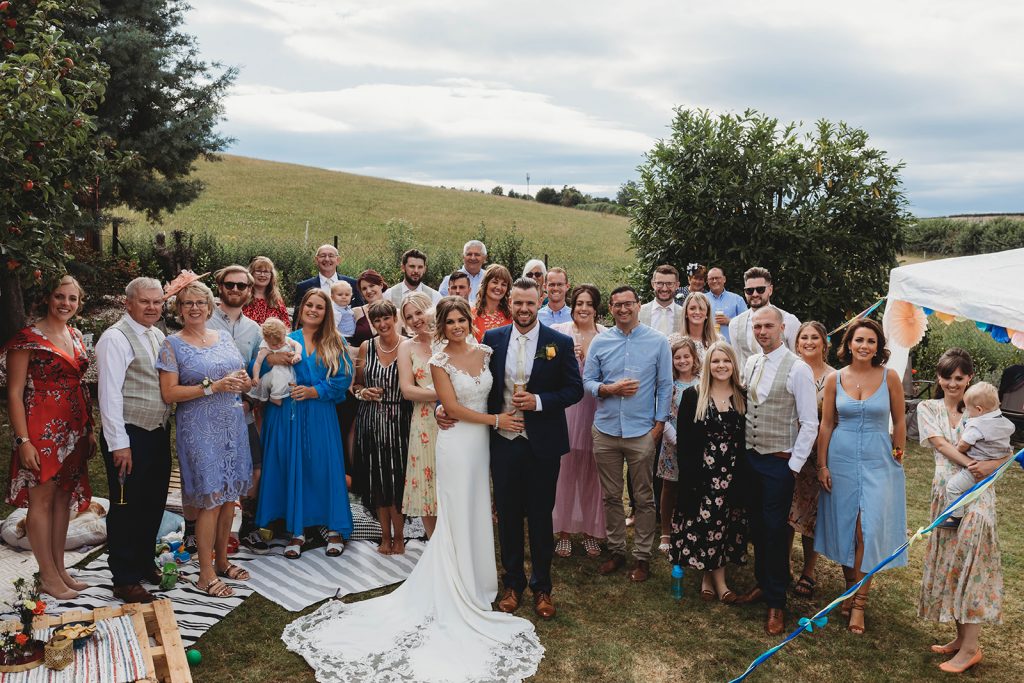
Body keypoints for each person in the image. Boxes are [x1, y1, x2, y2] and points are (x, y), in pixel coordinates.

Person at [280, 296, 542, 683]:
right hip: (455, 444)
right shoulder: (437, 361)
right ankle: (456, 584)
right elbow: (450, 407)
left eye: (461, 320)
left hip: (481, 448)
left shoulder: (486, 352)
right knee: (454, 510)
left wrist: (502, 417)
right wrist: (495, 419)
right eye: (449, 321)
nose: (456, 326)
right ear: (442, 324)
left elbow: (492, 390)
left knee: (476, 508)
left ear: (470, 320)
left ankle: (480, 581)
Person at [474, 277, 583, 618]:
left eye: (529, 303)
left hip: (542, 443)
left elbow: (574, 390)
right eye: (518, 303)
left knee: (539, 516)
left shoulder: (558, 342)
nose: (523, 309)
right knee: (506, 515)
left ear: (539, 303)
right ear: (510, 303)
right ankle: (513, 583)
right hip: (504, 441)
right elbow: (479, 387)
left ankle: (542, 587)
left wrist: (538, 401)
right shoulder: (492, 339)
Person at [156, 280, 253, 597]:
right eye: (188, 303)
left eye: (200, 302)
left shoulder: (223, 337)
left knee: (229, 499)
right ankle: (205, 572)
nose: (195, 308)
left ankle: (223, 561)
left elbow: (239, 374)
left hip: (231, 424)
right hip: (199, 428)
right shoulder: (172, 344)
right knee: (210, 499)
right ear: (179, 309)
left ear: (210, 307)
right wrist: (212, 386)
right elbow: (169, 393)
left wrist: (244, 382)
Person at [5, 275, 94, 599]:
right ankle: (46, 575)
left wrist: (89, 429)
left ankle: (59, 569)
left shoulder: (76, 334)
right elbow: (14, 394)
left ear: (78, 303)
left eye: (72, 298)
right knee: (41, 500)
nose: (65, 303)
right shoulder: (26, 339)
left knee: (62, 499)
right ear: (48, 298)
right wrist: (23, 441)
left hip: (74, 427)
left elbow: (81, 385)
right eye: (60, 296)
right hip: (41, 428)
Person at [917, 348, 1006, 674]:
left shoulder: (983, 411)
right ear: (939, 378)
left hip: (977, 497)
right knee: (952, 563)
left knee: (971, 562)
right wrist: (971, 462)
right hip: (946, 495)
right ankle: (959, 638)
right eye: (946, 377)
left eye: (959, 377)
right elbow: (940, 443)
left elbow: (1005, 453)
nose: (952, 383)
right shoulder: (929, 407)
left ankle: (971, 648)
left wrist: (990, 464)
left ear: (969, 377)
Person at [815, 318, 906, 635]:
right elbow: (826, 424)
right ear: (849, 344)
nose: (864, 346)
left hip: (878, 460)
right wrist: (822, 465)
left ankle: (859, 606)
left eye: (871, 341)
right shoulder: (834, 379)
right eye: (859, 340)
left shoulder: (890, 377)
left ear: (878, 347)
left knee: (868, 530)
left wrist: (898, 455)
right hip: (840, 458)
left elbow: (899, 420)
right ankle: (849, 588)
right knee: (847, 527)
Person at [735, 305, 818, 636]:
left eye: (767, 326)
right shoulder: (753, 362)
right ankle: (762, 584)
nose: (761, 332)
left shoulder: (797, 369)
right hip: (751, 458)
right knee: (756, 525)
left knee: (773, 530)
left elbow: (809, 423)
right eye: (756, 327)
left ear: (782, 328)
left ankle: (776, 603)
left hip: (779, 461)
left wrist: (793, 466)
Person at [256, 288, 354, 560]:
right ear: (301, 309)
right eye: (308, 305)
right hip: (289, 414)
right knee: (294, 467)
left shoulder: (336, 342)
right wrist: (274, 361)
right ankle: (296, 531)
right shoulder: (287, 340)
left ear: (327, 313)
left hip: (321, 413)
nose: (313, 310)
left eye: (319, 307)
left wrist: (314, 391)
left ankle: (334, 527)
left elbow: (343, 379)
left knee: (325, 468)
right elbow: (261, 368)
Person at [583, 285, 673, 583]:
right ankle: (617, 550)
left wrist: (659, 425)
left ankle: (643, 556)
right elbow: (588, 381)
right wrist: (608, 389)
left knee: (644, 498)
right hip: (606, 429)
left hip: (641, 432)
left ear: (638, 305)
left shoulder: (657, 341)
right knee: (610, 496)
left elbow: (665, 385)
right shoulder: (601, 341)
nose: (623, 309)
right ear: (610, 308)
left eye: (628, 304)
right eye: (617, 305)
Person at [96, 277, 172, 604]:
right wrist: (119, 444)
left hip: (156, 432)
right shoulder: (115, 338)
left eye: (157, 302)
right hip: (129, 434)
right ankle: (124, 578)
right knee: (126, 506)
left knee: (152, 502)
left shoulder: (157, 334)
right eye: (145, 302)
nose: (153, 307)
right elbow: (109, 395)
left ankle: (143, 561)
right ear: (128, 303)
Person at [671, 341, 747, 603]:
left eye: (726, 361)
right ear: (707, 365)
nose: (721, 365)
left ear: (733, 364)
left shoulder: (742, 395)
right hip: (703, 474)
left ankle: (710, 577)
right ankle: (719, 583)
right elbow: (684, 441)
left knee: (724, 526)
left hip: (733, 474)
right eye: (716, 361)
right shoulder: (694, 395)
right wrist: (689, 478)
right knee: (706, 524)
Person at [206, 265, 265, 553]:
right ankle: (198, 532)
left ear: (249, 291)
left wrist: (250, 400)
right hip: (209, 409)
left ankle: (249, 527)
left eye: (242, 286)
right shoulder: (203, 320)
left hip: (241, 409)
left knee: (254, 468)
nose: (235, 290)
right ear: (220, 287)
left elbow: (257, 369)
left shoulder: (254, 330)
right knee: (208, 469)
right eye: (230, 285)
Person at [551, 284, 607, 558]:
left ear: (596, 308)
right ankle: (562, 531)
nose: (583, 308)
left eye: (589, 303)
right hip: (567, 410)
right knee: (565, 470)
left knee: (593, 472)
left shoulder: (606, 336)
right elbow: (545, 366)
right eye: (579, 303)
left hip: (596, 409)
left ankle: (590, 531)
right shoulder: (559, 332)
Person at [352, 300, 412, 554]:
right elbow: (356, 386)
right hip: (371, 419)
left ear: (396, 317)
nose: (382, 324)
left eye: (386, 318)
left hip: (400, 418)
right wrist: (364, 392)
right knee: (377, 477)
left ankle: (400, 537)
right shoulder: (367, 347)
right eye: (377, 321)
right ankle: (384, 536)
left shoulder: (408, 345)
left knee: (397, 478)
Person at [787, 321, 835, 599]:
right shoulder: (790, 370)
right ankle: (784, 565)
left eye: (814, 337)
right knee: (787, 510)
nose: (808, 342)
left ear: (824, 343)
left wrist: (823, 457)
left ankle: (809, 570)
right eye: (803, 337)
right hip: (789, 449)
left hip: (818, 452)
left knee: (811, 514)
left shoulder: (834, 377)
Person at [937, 381, 1014, 529]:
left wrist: (959, 448)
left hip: (977, 468)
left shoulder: (977, 425)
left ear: (979, 409)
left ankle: (955, 517)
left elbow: (964, 444)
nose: (968, 412)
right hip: (997, 468)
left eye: (969, 409)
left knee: (953, 487)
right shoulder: (1005, 423)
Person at [396, 292, 439, 538]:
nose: (415, 320)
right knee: (426, 484)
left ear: (429, 310)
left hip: (455, 421)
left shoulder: (449, 339)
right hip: (423, 423)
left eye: (418, 312)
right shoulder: (407, 347)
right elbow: (407, 389)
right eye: (409, 317)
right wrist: (442, 395)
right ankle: (434, 542)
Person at [656, 336, 700, 555]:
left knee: (693, 486)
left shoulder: (702, 382)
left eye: (686, 356)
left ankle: (687, 527)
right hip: (672, 442)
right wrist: (674, 437)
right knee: (669, 487)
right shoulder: (669, 384)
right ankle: (665, 530)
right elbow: (661, 412)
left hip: (696, 444)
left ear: (694, 358)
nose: (682, 361)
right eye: (677, 357)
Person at [728, 266, 801, 371]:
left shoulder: (789, 320)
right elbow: (737, 362)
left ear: (770, 290)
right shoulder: (735, 324)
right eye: (749, 291)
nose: (755, 294)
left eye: (760, 289)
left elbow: (798, 358)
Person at [292, 244, 363, 329]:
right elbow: (298, 318)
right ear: (316, 260)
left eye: (331, 256)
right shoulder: (303, 287)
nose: (327, 259)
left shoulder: (353, 284)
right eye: (323, 256)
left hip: (347, 338)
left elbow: (360, 316)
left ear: (338, 260)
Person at [249, 318, 303, 405]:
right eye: (274, 345)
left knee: (286, 382)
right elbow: (258, 363)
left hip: (286, 370)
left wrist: (297, 354)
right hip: (272, 372)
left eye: (281, 342)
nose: (278, 346)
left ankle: (277, 396)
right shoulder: (265, 348)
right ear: (266, 340)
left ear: (284, 334)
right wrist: (256, 377)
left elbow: (297, 344)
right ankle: (275, 397)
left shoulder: (287, 339)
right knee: (278, 380)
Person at [244, 256, 290, 326]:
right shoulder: (243, 297)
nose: (262, 275)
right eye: (258, 271)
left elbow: (286, 325)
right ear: (251, 273)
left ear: (271, 275)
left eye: (266, 272)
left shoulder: (276, 301)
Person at [639, 265, 684, 336]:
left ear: (677, 285)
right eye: (659, 283)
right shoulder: (639, 312)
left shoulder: (684, 314)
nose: (664, 289)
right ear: (653, 284)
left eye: (669, 284)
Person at [471, 264, 512, 341]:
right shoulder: (471, 315)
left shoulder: (511, 315)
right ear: (486, 284)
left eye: (503, 284)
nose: (499, 287)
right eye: (495, 282)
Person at [706, 267, 747, 343]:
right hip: (708, 347)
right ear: (707, 281)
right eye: (711, 279)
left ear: (724, 279)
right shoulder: (702, 299)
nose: (714, 281)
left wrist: (730, 321)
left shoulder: (737, 299)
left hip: (731, 348)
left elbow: (746, 324)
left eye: (717, 278)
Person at [350, 269, 387, 348]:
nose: (368, 291)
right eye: (364, 289)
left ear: (381, 285)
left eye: (372, 286)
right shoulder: (355, 312)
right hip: (360, 358)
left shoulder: (395, 311)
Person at [680, 291, 720, 361]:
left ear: (707, 313)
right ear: (686, 312)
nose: (697, 312)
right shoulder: (675, 342)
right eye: (692, 308)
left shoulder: (718, 341)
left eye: (701, 308)